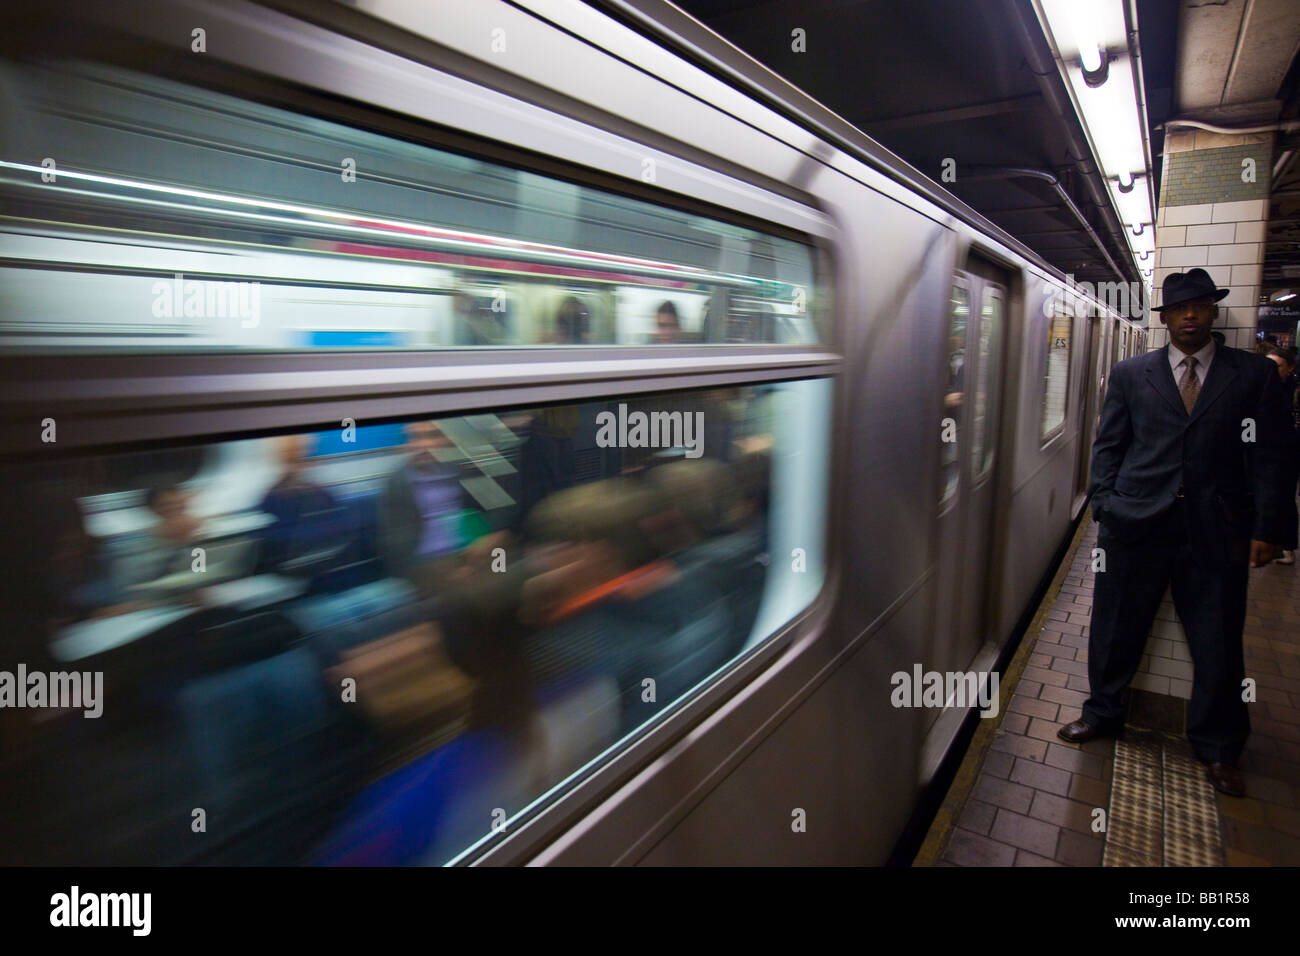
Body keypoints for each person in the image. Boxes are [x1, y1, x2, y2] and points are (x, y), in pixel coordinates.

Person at [1058, 268, 1294, 797]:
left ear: (1213, 312)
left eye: (1201, 305)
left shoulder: (1252, 375)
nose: (1190, 315)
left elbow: (1274, 457)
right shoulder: (1130, 373)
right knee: (1115, 626)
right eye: (1180, 308)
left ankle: (1219, 747)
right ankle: (1102, 713)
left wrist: (1269, 527)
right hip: (1136, 526)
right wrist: (1107, 505)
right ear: (1164, 318)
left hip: (1217, 531)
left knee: (1217, 641)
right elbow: (1109, 446)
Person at [1265, 346, 1300, 564]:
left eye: (1277, 366)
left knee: (1284, 499)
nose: (1271, 371)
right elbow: (1248, 424)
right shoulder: (1261, 388)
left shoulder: (1294, 391)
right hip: (1263, 452)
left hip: (1288, 455)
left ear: (1290, 368)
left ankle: (1287, 545)